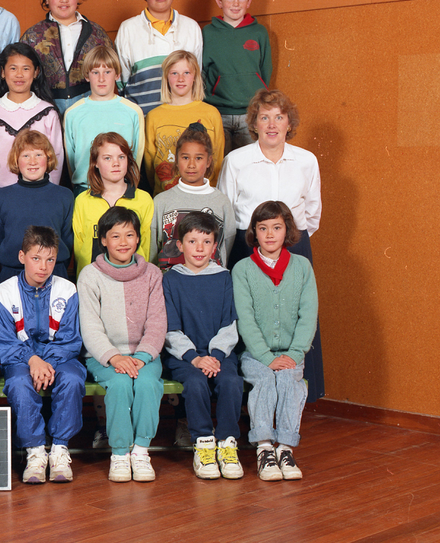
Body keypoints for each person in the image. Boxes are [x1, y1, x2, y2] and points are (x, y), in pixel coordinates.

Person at [217, 89, 324, 402]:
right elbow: (227, 209)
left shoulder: (307, 161)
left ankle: (294, 395)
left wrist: (289, 241)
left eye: (279, 116)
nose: (272, 124)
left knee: (296, 317)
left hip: (294, 247)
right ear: (254, 123)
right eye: (265, 117)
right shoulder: (236, 161)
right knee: (249, 317)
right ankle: (248, 400)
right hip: (246, 249)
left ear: (289, 122)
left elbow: (313, 212)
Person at [77, 207, 166, 482]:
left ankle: (140, 451)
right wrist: (114, 357)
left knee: (148, 384)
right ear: (103, 240)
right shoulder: (90, 275)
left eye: (130, 234)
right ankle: (118, 454)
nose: (123, 242)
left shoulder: (151, 273)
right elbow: (90, 326)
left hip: (144, 355)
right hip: (104, 356)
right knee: (119, 385)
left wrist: (141, 356)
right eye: (115, 236)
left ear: (138, 239)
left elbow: (157, 321)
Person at [0, 226, 83, 484]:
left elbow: (71, 340)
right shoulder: (3, 292)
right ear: (22, 257)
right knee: (19, 383)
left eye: (50, 259)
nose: (43, 266)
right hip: (20, 360)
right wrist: (33, 360)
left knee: (73, 380)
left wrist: (47, 363)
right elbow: (2, 341)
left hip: (60, 358)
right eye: (36, 258)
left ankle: (60, 449)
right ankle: (35, 451)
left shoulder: (67, 290)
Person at [232, 201, 318, 481]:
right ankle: (264, 448)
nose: (270, 234)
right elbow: (245, 319)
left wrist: (295, 353)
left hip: (292, 353)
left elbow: (309, 315)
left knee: (288, 381)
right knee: (267, 380)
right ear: (254, 232)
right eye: (263, 228)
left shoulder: (302, 267)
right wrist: (267, 357)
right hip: (256, 354)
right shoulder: (242, 269)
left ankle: (285, 448)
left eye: (277, 228)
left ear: (287, 231)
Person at [162, 212, 245, 480]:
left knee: (232, 382)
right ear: (179, 244)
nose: (199, 248)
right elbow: (169, 328)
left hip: (221, 355)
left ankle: (227, 444)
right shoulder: (170, 279)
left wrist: (216, 355)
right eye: (192, 241)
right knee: (196, 383)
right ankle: (204, 445)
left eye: (206, 241)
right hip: (184, 357)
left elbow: (230, 324)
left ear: (215, 246)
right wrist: (195, 359)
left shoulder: (224, 278)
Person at [20, 0, 111, 117]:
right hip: (44, 109)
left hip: (90, 107)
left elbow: (112, 71)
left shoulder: (96, 33)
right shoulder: (33, 36)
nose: (64, 0)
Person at [115, 0, 203, 116]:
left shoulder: (191, 27)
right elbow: (122, 81)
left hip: (184, 117)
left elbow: (197, 75)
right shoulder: (128, 29)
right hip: (143, 117)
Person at [0, 129, 74, 284]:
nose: (32, 161)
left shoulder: (65, 196)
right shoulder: (1, 197)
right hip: (12, 273)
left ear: (48, 159)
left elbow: (67, 239)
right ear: (16, 160)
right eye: (26, 155)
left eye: (38, 155)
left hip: (54, 272)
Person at [202, 0, 272, 155]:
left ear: (249, 1)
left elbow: (265, 70)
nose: (235, 4)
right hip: (217, 113)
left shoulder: (259, 32)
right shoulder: (208, 33)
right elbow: (202, 71)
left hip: (250, 114)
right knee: (220, 168)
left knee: (250, 168)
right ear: (219, 1)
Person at [0, 43, 62, 193]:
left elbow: (56, 156)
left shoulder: (48, 113)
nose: (19, 75)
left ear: (36, 72)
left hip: (40, 191)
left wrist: (52, 191)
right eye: (13, 68)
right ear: (3, 72)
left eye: (26, 68)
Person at [151, 123, 235, 271]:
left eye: (198, 158)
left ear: (208, 161)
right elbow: (152, 248)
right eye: (185, 157)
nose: (191, 165)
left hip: (210, 281)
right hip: (169, 283)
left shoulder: (221, 202)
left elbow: (225, 246)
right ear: (176, 160)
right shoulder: (161, 201)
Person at [62, 45, 145, 196]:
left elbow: (137, 156)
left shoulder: (133, 111)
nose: (101, 78)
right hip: (85, 188)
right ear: (87, 75)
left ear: (117, 74)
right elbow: (70, 160)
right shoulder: (72, 113)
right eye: (95, 72)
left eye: (107, 72)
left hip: (122, 187)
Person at [72, 132, 153, 276]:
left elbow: (146, 247)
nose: (116, 163)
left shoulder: (144, 199)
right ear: (95, 162)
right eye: (107, 158)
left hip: (134, 279)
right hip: (94, 280)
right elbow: (79, 248)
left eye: (121, 157)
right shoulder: (83, 201)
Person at [144, 50, 225, 192]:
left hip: (202, 194)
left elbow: (217, 160)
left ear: (195, 77)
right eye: (174, 73)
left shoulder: (211, 114)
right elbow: (150, 165)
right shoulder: (154, 116)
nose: (180, 79)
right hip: (166, 196)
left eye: (186, 73)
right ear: (166, 78)